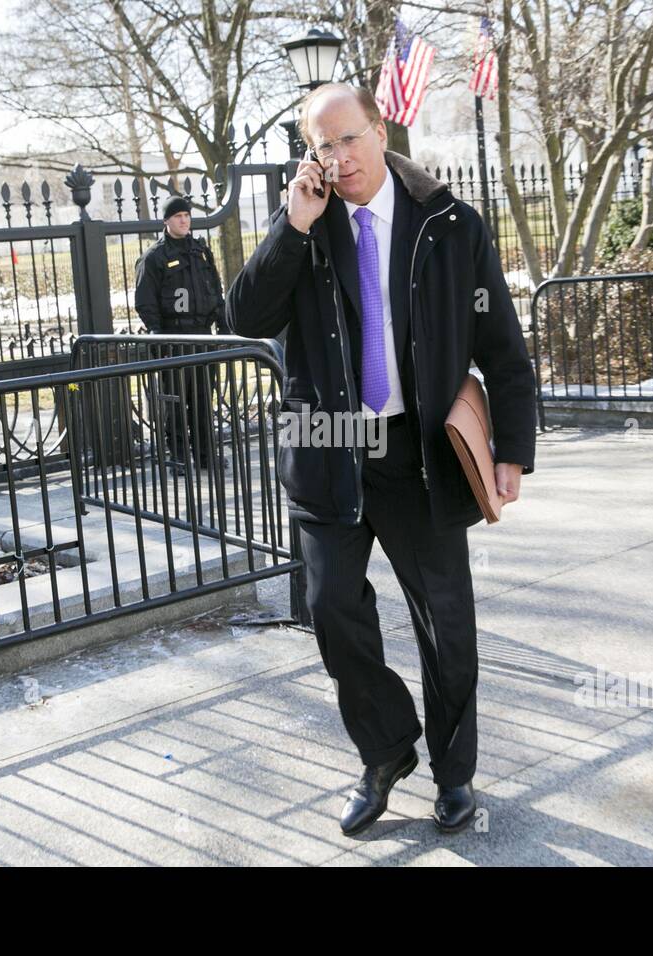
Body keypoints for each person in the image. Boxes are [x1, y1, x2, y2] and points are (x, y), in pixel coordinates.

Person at [225, 84, 536, 835]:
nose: (338, 159)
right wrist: (292, 228)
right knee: (331, 610)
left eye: (349, 140)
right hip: (330, 449)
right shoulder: (304, 218)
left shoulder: (450, 224)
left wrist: (514, 450)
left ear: (382, 129)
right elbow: (243, 317)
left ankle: (455, 777)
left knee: (446, 624)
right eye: (321, 146)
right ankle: (386, 748)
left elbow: (501, 345)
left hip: (418, 450)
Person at [134, 197, 227, 476]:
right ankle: (177, 457)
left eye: (187, 215)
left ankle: (204, 455)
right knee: (174, 402)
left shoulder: (201, 251)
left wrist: (223, 325)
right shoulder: (154, 257)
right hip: (174, 339)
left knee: (201, 400)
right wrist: (159, 336)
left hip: (203, 337)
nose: (184, 220)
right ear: (166, 221)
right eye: (177, 216)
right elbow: (145, 301)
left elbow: (215, 289)